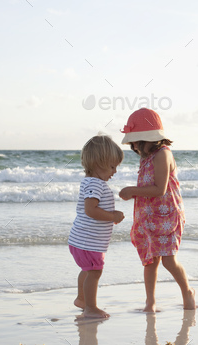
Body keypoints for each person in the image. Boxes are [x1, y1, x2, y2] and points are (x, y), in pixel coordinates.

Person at [119, 108, 195, 311]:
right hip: (149, 216)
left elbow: (160, 190)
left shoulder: (163, 154)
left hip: (167, 216)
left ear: (149, 138)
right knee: (150, 261)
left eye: (135, 141)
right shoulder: (146, 157)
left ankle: (187, 291)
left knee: (169, 260)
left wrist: (131, 191)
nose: (133, 145)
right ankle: (150, 302)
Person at [68, 134, 125, 318]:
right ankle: (91, 308)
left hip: (81, 241)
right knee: (95, 271)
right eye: (112, 166)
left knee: (88, 270)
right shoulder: (96, 184)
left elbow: (93, 210)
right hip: (87, 242)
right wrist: (113, 216)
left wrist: (109, 217)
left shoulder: (89, 182)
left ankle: (82, 299)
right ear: (99, 163)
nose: (114, 171)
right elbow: (90, 210)